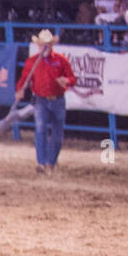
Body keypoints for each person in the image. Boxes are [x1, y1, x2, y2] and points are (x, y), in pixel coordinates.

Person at [15, 28, 76, 173]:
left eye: (47, 45)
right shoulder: (31, 62)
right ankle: (41, 162)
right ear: (38, 46)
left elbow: (73, 79)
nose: (44, 48)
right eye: (42, 45)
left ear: (52, 45)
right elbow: (24, 79)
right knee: (40, 129)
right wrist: (20, 90)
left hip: (58, 100)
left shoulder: (61, 60)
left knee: (57, 133)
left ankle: (51, 162)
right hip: (40, 100)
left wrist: (66, 80)